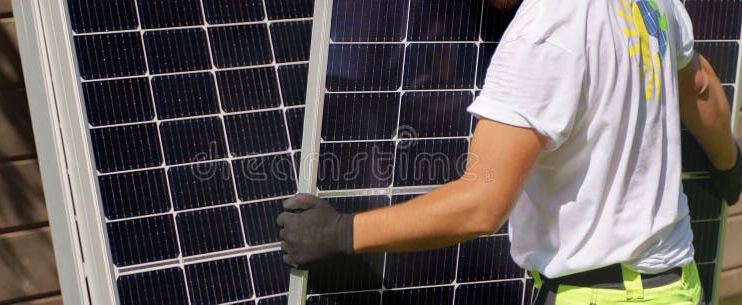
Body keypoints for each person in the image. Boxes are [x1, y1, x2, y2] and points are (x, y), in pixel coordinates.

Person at [277, 0, 741, 303]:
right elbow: (698, 86)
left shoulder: (542, 31)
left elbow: (482, 205)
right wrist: (729, 163)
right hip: (677, 287)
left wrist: (341, 232)